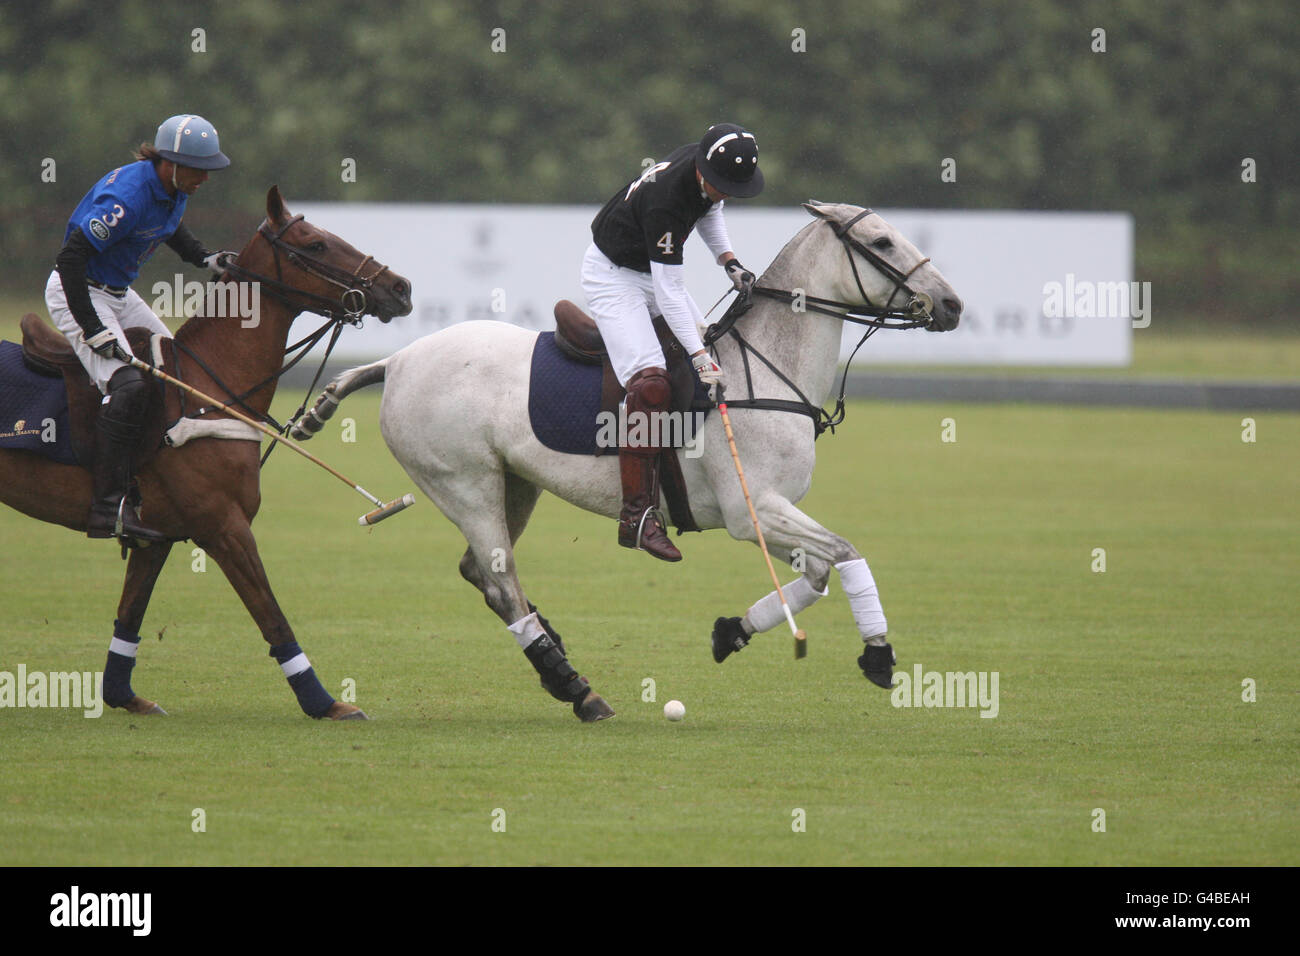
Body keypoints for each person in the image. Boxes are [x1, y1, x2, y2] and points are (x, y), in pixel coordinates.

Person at [46, 114, 237, 542]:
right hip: (77, 291)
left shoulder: (173, 188)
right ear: (169, 162)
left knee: (178, 369)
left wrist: (203, 258)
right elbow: (70, 260)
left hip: (118, 293)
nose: (204, 178)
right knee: (129, 385)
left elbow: (168, 228)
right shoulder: (126, 197)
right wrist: (93, 327)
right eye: (198, 168)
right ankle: (107, 508)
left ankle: (154, 481)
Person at [584, 122, 764, 562]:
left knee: (713, 346)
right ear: (703, 169)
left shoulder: (701, 166)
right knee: (651, 386)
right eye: (720, 185)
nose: (723, 193)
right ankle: (638, 516)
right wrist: (699, 356)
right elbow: (668, 291)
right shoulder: (666, 200)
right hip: (615, 278)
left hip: (648, 272)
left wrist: (730, 263)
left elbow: (709, 208)